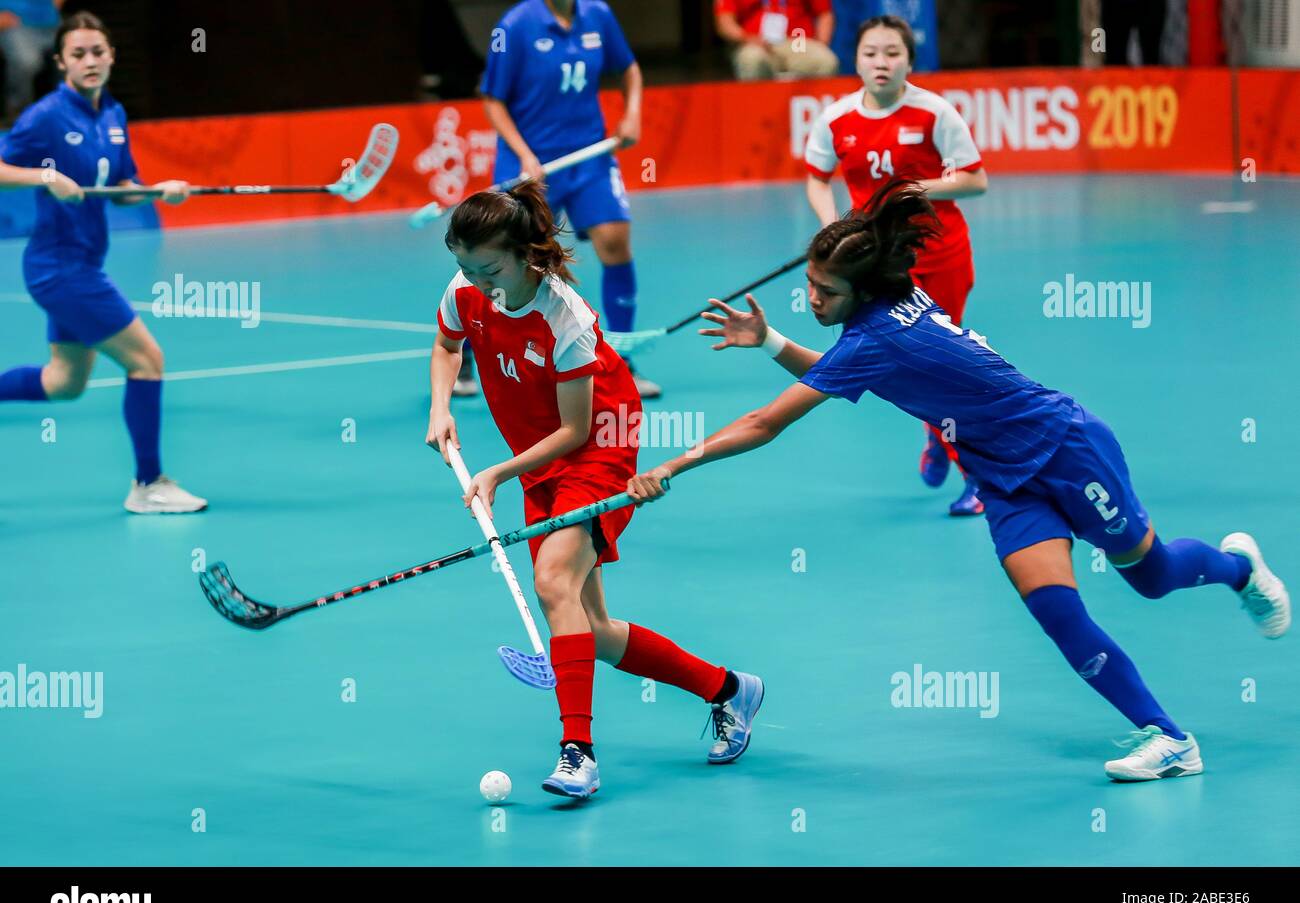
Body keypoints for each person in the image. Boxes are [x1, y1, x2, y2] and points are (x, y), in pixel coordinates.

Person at [627, 180, 1290, 782]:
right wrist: (772, 340)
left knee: (1151, 576)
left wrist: (674, 464)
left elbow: (767, 422)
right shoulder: (883, 315)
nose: (812, 297)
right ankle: (1170, 737)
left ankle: (1238, 569)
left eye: (824, 292)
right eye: (808, 283)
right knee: (1057, 610)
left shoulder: (873, 339)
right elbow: (833, 373)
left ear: (860, 293)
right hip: (1003, 477)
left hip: (1066, 449)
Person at [426, 181, 763, 800]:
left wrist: (498, 470)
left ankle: (577, 753)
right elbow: (447, 346)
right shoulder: (467, 288)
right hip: (539, 454)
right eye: (463, 265)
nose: (476, 279)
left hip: (598, 444)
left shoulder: (565, 316)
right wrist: (440, 409)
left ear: (526, 254)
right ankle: (729, 689)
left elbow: (576, 429)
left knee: (554, 583)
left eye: (489, 267)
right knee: (590, 627)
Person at [0, 10, 206, 513]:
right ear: (61, 62)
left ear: (111, 56)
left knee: (63, 383)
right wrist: (44, 179)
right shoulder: (46, 116)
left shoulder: (112, 114)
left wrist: (160, 192)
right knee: (147, 361)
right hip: (59, 269)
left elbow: (122, 191)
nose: (90, 61)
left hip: (84, 264)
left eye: (98, 52)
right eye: (78, 54)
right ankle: (148, 485)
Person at [806, 15, 988, 515]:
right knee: (907, 365)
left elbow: (975, 180)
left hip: (942, 255)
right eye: (870, 53)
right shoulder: (836, 119)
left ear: (910, 59)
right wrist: (831, 228)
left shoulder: (935, 113)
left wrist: (913, 190)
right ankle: (938, 433)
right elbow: (817, 178)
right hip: (878, 266)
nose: (881, 62)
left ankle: (973, 473)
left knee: (942, 366)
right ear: (856, 60)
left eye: (892, 53)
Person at [462, 0, 661, 400]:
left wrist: (632, 113)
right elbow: (492, 99)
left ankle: (623, 358)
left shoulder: (598, 15)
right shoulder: (514, 26)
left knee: (615, 240)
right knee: (513, 263)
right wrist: (524, 154)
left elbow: (629, 68)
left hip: (589, 157)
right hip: (531, 165)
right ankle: (468, 353)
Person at [715, 0, 839, 79]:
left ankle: (819, 117)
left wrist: (822, 42)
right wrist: (747, 38)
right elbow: (725, 22)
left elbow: (825, 14)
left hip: (797, 42)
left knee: (825, 60)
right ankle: (755, 114)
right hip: (756, 42)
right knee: (751, 59)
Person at [0, 0, 61, 123]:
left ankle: (75, 111)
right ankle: (19, 112)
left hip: (52, 24)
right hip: (15, 26)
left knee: (75, 60)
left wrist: (53, 7)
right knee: (26, 62)